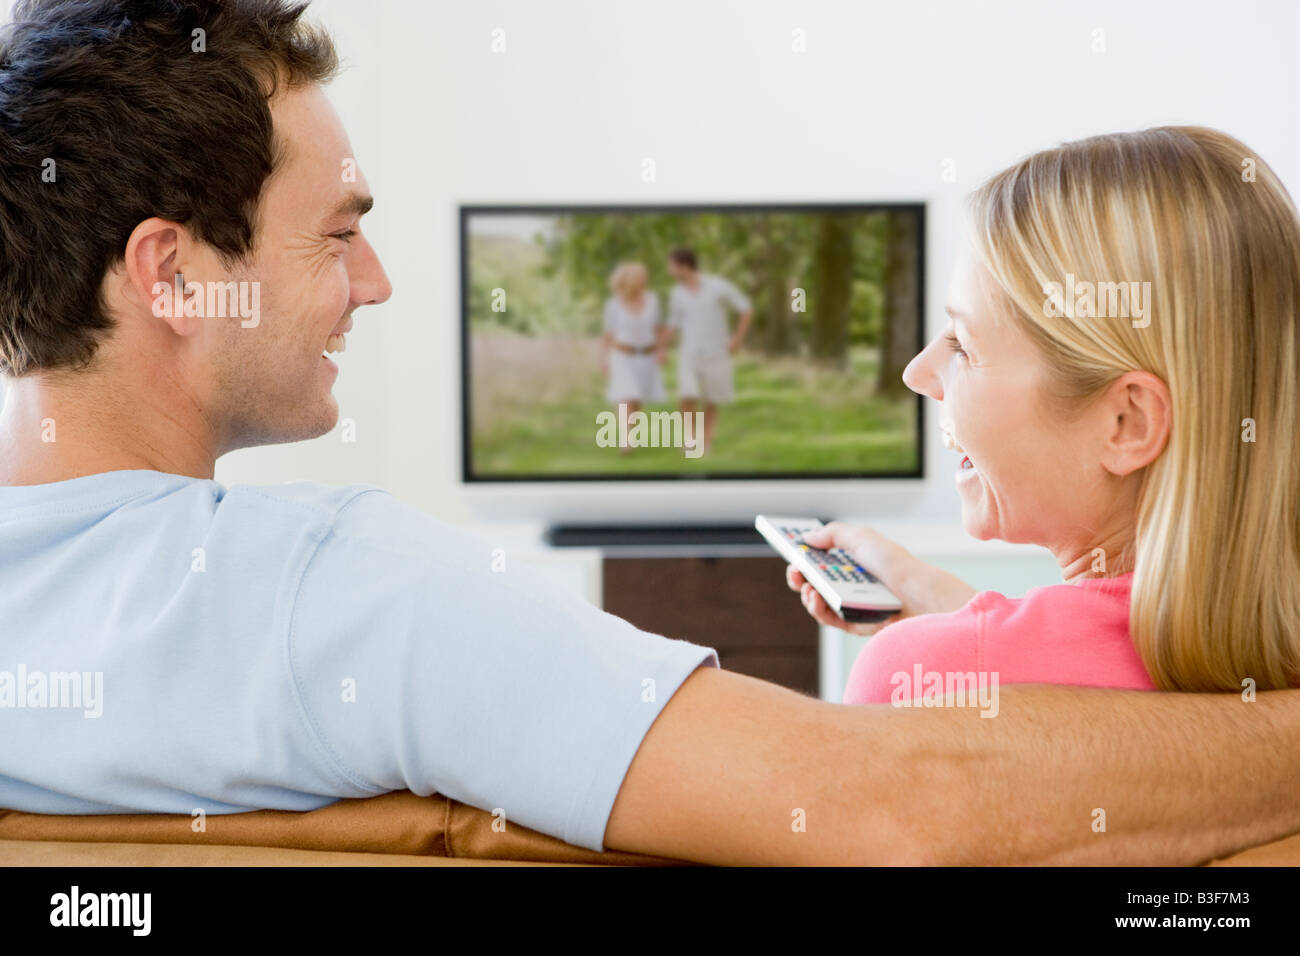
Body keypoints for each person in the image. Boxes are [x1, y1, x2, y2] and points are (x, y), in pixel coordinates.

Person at [2, 0, 1300, 868]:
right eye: (341, 232)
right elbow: (897, 800)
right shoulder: (344, 596)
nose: (382, 280)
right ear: (173, 274)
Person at [791, 128, 1300, 706]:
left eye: (963, 346)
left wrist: (956, 640)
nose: (918, 372)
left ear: (1127, 425)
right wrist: (934, 597)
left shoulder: (912, 680)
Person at [658, 248, 753, 455]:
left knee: (711, 400)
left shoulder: (718, 286)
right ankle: (691, 441)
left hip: (717, 353)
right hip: (689, 353)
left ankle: (706, 443)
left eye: (671, 266)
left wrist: (737, 340)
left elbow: (746, 309)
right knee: (687, 396)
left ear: (684, 266)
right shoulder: (677, 293)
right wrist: (662, 348)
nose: (669, 271)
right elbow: (673, 323)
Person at [600, 261, 666, 453]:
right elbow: (608, 335)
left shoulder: (653, 300)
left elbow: (658, 328)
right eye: (642, 278)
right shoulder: (613, 305)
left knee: (637, 400)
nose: (646, 281)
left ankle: (631, 436)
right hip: (622, 355)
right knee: (626, 395)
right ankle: (625, 441)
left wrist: (661, 350)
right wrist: (604, 360)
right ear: (631, 281)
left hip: (646, 355)